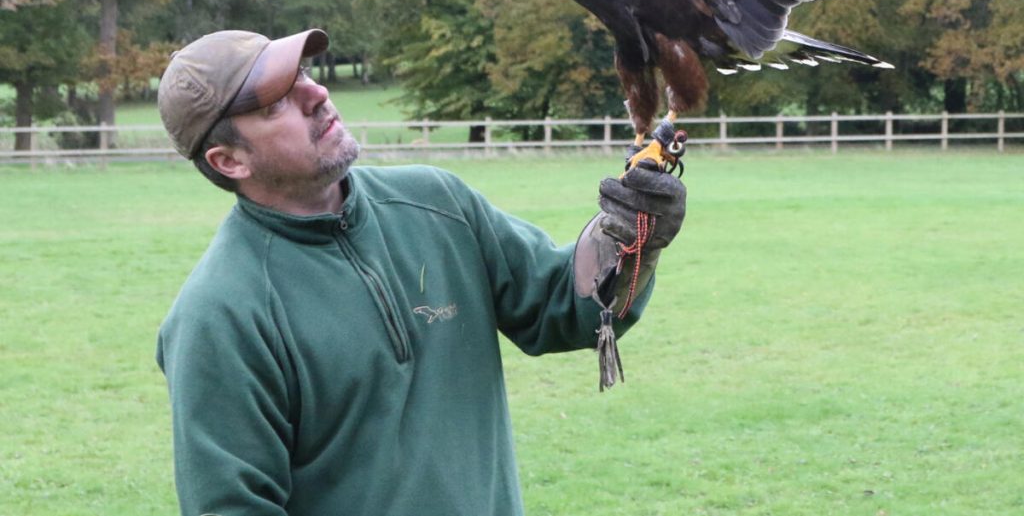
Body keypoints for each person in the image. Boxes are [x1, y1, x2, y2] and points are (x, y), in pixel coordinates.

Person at [155, 28, 686, 516]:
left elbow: (561, 305)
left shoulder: (437, 202)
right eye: (276, 103)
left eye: (305, 76)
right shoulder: (219, 315)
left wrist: (628, 234)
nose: (315, 95)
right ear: (230, 162)